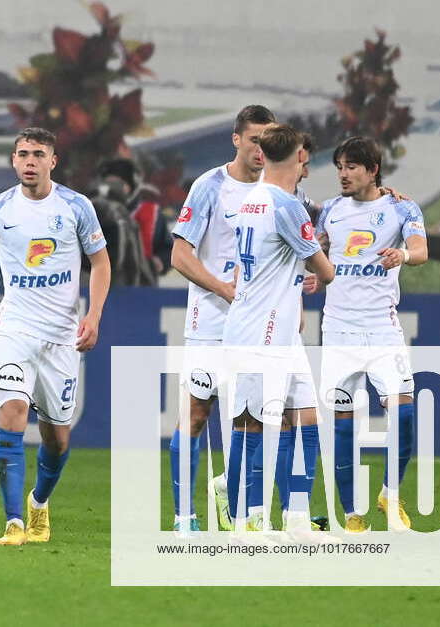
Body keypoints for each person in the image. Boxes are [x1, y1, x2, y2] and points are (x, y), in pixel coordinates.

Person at [0, 127, 111, 545]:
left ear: (52, 161)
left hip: (61, 338)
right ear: (13, 161)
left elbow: (100, 263)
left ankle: (38, 504)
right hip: (15, 331)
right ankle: (13, 523)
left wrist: (93, 315)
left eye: (38, 154)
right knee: (11, 414)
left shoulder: (76, 207)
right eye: (23, 153)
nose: (29, 161)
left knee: (57, 439)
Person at [305, 136, 428, 532]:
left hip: (381, 329)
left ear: (373, 170)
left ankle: (390, 496)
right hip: (338, 329)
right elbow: (317, 250)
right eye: (339, 165)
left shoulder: (400, 206)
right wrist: (315, 276)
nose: (343, 173)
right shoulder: (331, 212)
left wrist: (403, 255)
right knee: (342, 423)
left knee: (405, 413)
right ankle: (353, 515)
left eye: (352, 166)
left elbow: (421, 250)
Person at [223, 124, 337, 543]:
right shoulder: (287, 207)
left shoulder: (252, 198)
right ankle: (248, 519)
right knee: (254, 423)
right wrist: (322, 265)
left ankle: (296, 518)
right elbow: (325, 271)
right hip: (262, 330)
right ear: (298, 157)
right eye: (306, 156)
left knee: (305, 414)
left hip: (274, 327)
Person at [168, 104, 276, 533]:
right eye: (254, 140)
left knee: (250, 420)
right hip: (210, 324)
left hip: (256, 329)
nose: (260, 150)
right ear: (236, 140)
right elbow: (180, 254)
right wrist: (224, 289)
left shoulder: (276, 192)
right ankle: (183, 516)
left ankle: (236, 500)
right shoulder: (209, 187)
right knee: (195, 415)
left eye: (268, 142)